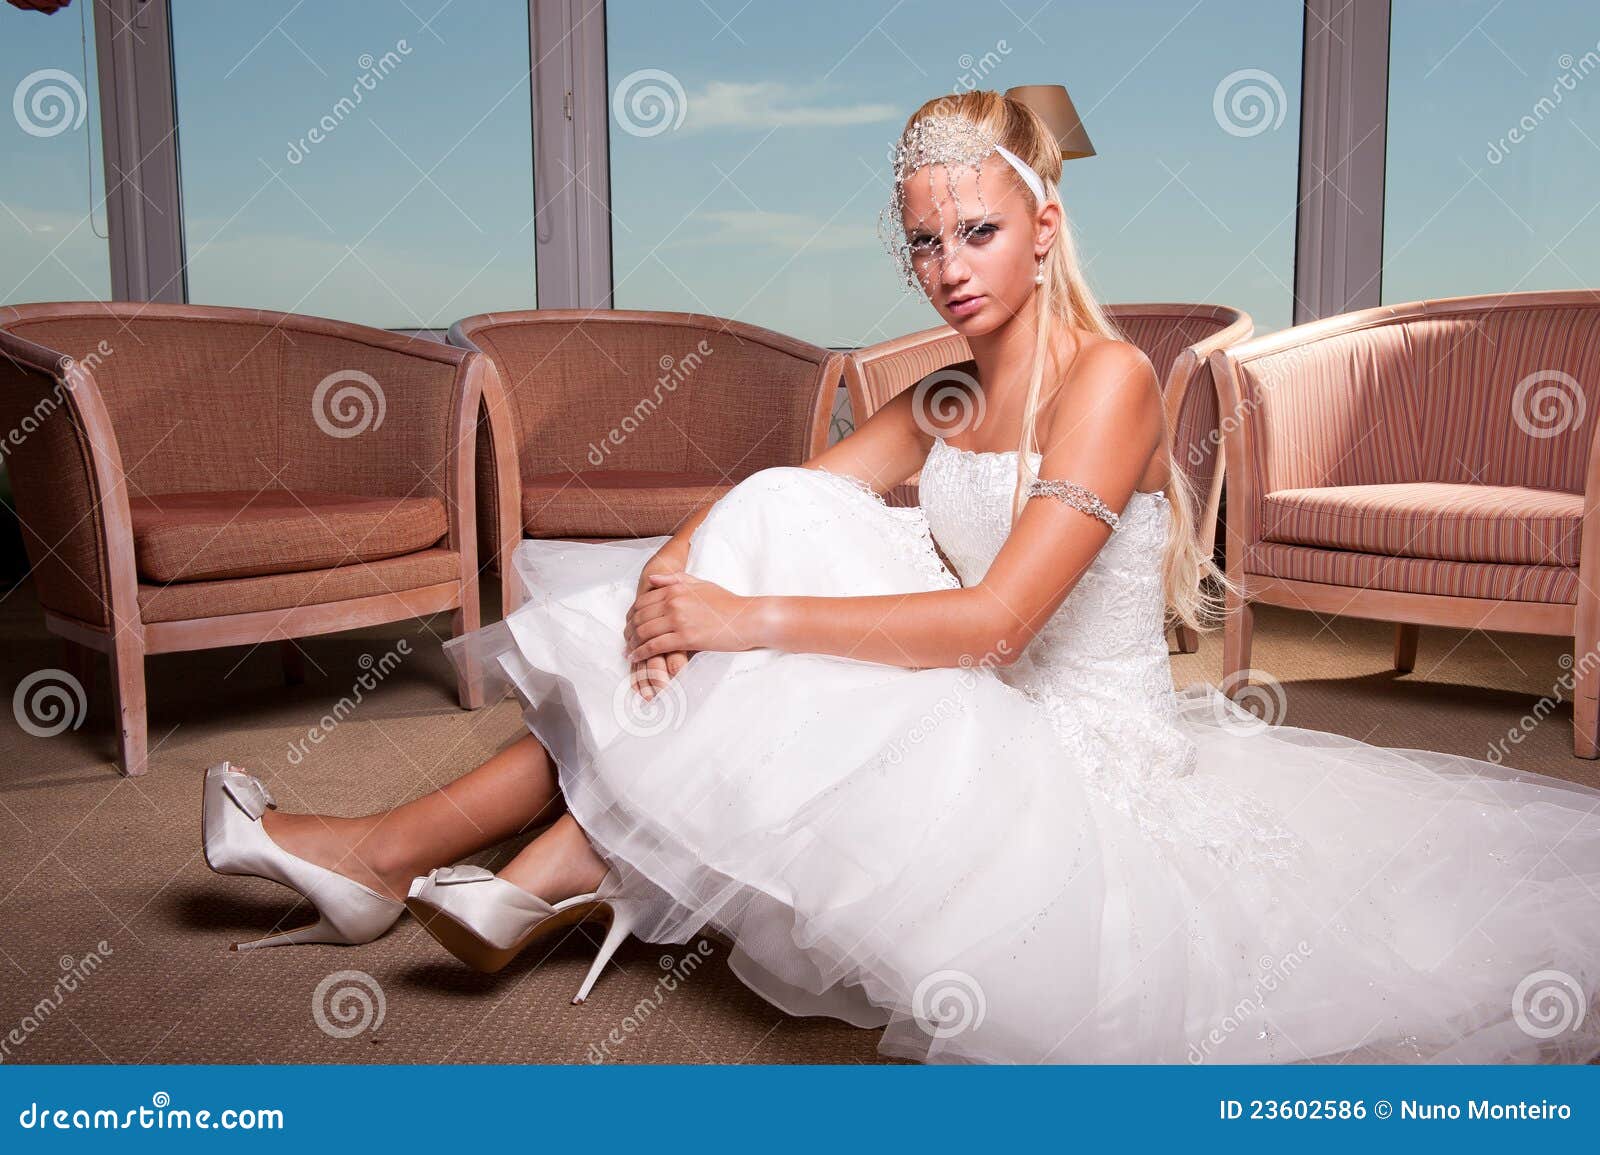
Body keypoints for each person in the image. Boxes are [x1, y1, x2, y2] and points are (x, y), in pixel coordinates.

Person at [202, 90, 1600, 1065]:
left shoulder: (1109, 382)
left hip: (1074, 743)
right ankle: (505, 871)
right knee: (772, 514)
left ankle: (458, 857)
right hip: (968, 698)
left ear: (1044, 228)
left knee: (771, 610)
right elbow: (790, 502)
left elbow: (996, 627)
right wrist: (683, 567)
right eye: (924, 240)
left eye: (976, 233)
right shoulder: (939, 390)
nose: (947, 267)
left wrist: (738, 611)